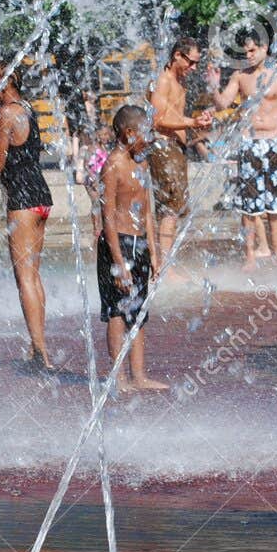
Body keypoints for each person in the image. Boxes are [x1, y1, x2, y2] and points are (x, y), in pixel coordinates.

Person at [207, 30, 277, 271]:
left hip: (275, 142)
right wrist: (213, 86)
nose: (249, 55)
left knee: (276, 201)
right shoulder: (240, 76)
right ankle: (250, 255)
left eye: (253, 50)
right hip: (250, 143)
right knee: (249, 204)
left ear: (265, 49)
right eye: (246, 52)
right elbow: (222, 104)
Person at [0, 60, 56, 371]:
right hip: (41, 196)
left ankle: (40, 354)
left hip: (22, 200)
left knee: (24, 277)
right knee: (34, 276)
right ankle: (36, 348)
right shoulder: (27, 108)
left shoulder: (6, 114)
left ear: (3, 82)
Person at [99, 105, 164, 391]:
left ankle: (139, 376)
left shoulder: (141, 164)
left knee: (138, 311)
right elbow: (108, 217)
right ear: (128, 133)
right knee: (117, 311)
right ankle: (119, 377)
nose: (149, 139)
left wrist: (155, 253)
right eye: (145, 133)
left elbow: (147, 212)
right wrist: (118, 262)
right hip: (118, 244)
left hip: (139, 245)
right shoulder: (112, 166)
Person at [148, 38, 215, 273]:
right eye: (191, 62)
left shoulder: (177, 81)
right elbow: (157, 120)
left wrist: (198, 122)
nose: (194, 68)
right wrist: (192, 122)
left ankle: (165, 265)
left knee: (173, 209)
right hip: (164, 148)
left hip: (173, 149)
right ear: (177, 55)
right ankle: (164, 268)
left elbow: (174, 116)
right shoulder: (164, 80)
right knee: (169, 209)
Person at [84, 123, 115, 242]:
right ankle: (96, 228)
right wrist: (93, 179)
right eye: (102, 134)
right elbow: (86, 165)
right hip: (92, 180)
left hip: (103, 179)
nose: (105, 137)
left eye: (107, 134)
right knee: (96, 202)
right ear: (97, 135)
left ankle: (104, 227)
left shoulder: (107, 148)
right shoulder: (92, 148)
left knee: (104, 203)